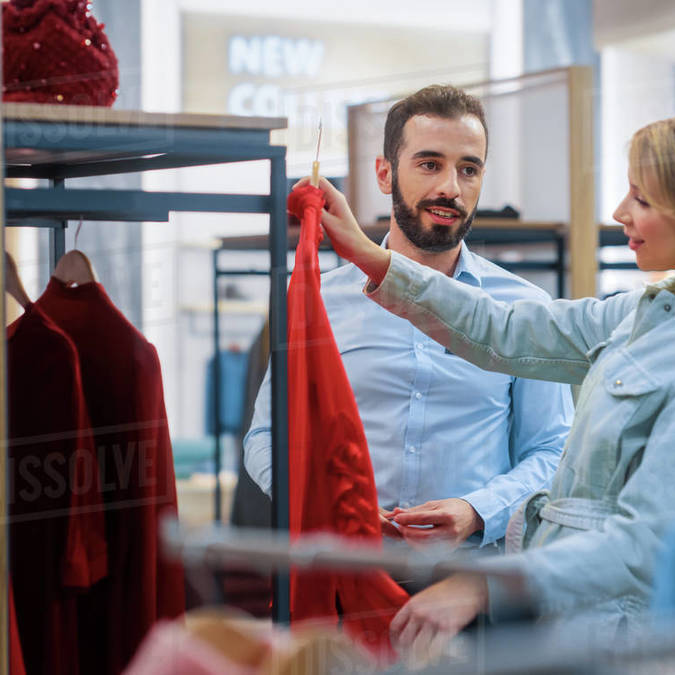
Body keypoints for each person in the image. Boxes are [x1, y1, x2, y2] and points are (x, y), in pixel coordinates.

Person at [300, 108, 675, 653]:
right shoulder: (649, 312)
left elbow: (652, 541)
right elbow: (507, 329)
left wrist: (486, 582)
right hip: (572, 622)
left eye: (643, 199)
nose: (618, 212)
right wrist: (370, 257)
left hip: (630, 640)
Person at [243, 85, 573, 551]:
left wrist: (478, 510)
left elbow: (553, 451)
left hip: (467, 587)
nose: (450, 188)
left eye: (469, 169)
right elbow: (267, 437)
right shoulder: (321, 300)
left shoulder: (524, 308)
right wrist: (325, 502)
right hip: (342, 575)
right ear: (384, 174)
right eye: (429, 164)